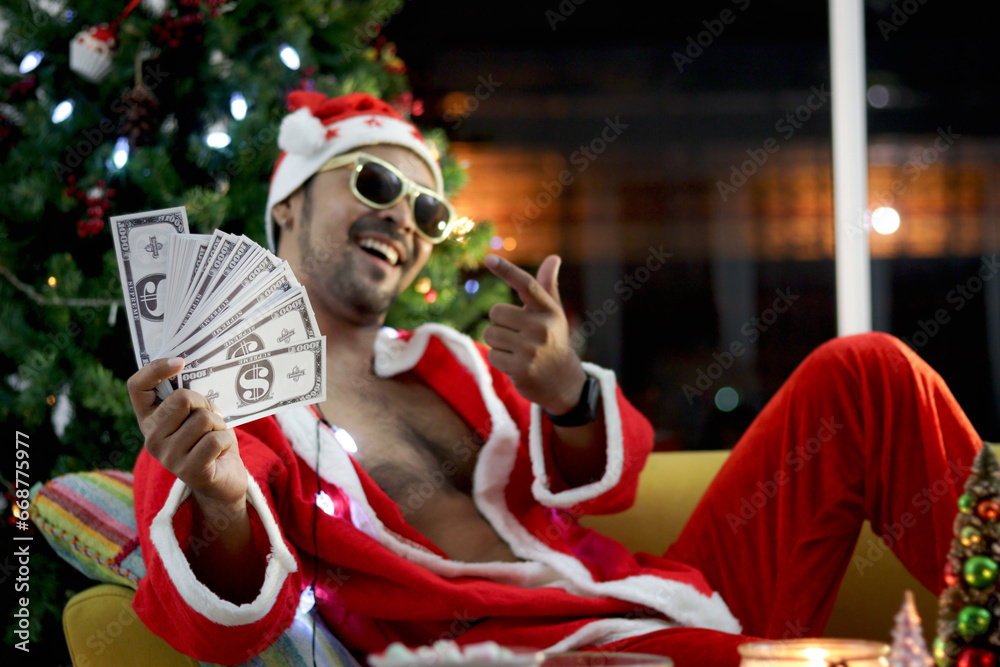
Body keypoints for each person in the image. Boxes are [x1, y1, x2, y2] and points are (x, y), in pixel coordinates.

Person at [127, 91, 982, 667]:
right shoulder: (221, 393)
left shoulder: (449, 362)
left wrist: (568, 390)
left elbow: (604, 485)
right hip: (523, 652)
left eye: (428, 209)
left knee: (865, 371)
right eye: (375, 182)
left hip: (645, 597)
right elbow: (218, 625)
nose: (403, 218)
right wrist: (221, 499)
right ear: (287, 202)